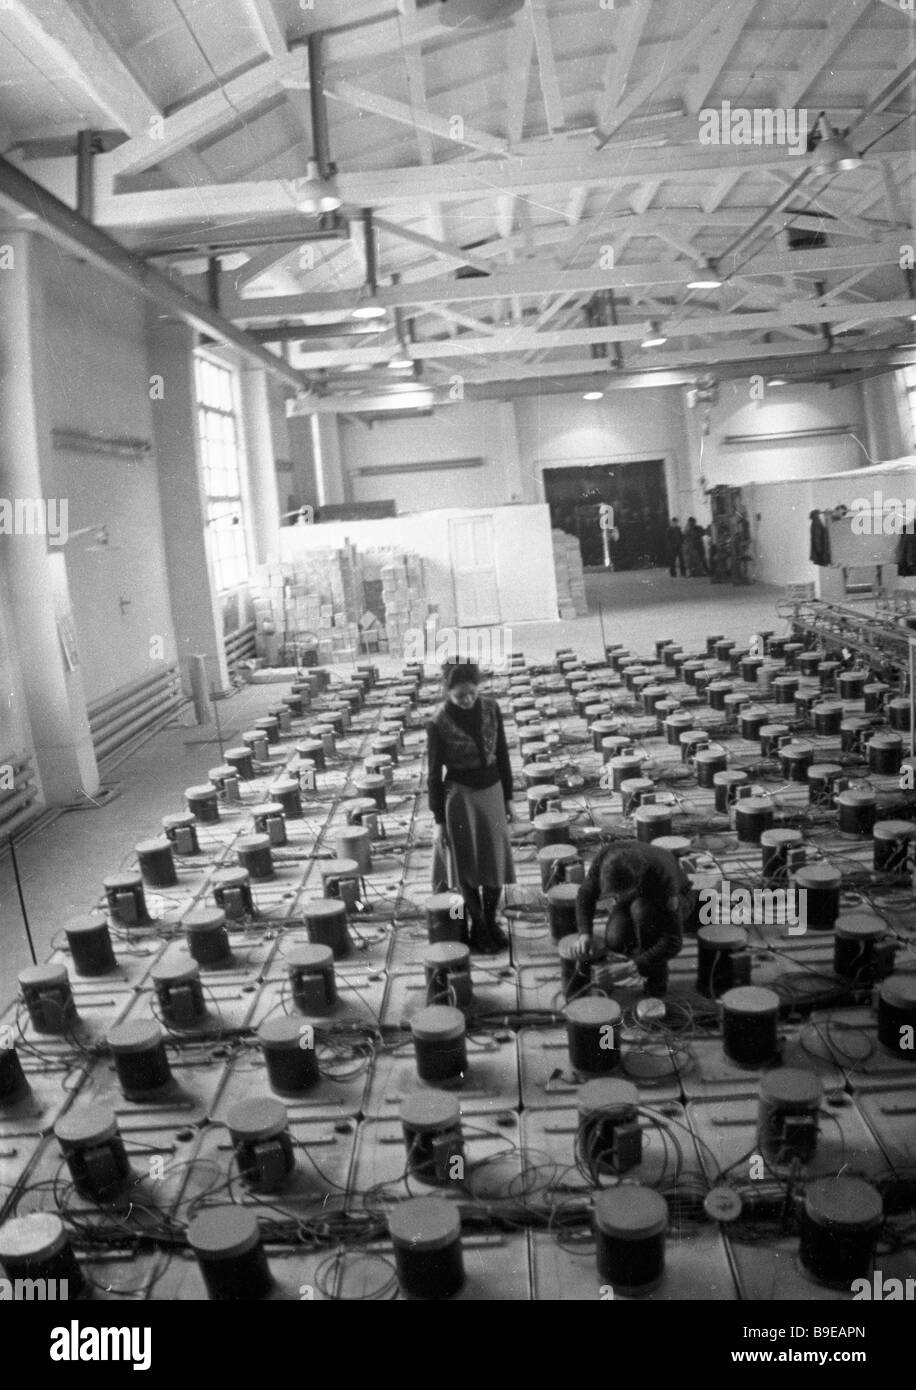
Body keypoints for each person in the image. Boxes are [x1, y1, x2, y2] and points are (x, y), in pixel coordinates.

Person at [427, 661, 515, 954]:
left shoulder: (492, 708)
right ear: (447, 692)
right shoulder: (438, 721)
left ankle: (490, 921)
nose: (467, 700)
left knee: (495, 866)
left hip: (492, 794)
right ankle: (478, 927)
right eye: (460, 695)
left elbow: (502, 753)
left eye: (472, 693)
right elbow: (433, 775)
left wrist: (509, 799)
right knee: (466, 870)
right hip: (460, 799)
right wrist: (439, 820)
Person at [573, 841, 689, 997]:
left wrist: (633, 967)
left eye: (619, 894)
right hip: (637, 895)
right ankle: (645, 947)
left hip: (679, 897)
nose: (616, 898)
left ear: (636, 884)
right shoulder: (605, 856)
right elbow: (585, 894)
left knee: (641, 910)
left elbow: (673, 941)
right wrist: (585, 932)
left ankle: (657, 975)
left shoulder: (663, 877)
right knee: (614, 940)